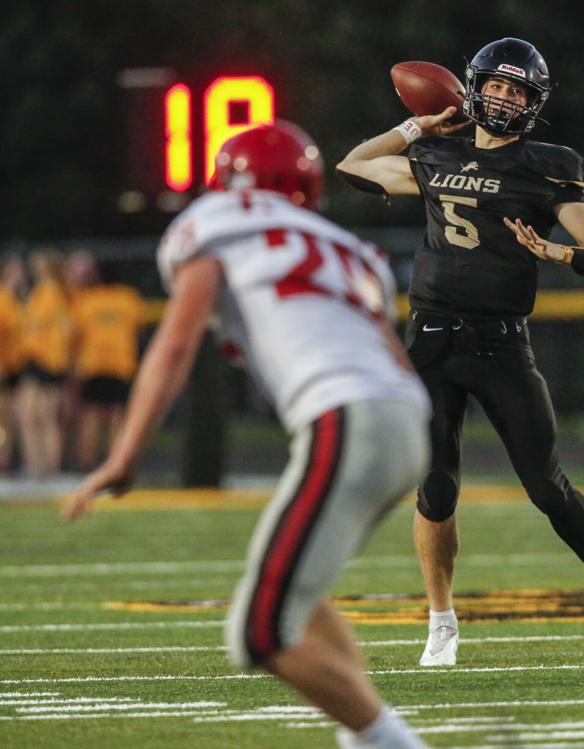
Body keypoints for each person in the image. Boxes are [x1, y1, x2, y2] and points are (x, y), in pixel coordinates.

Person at [62, 121, 434, 749]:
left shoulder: (217, 220)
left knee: (260, 632)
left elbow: (176, 342)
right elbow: (391, 355)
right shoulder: (347, 245)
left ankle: (393, 743)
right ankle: (364, 737)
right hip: (404, 423)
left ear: (230, 182)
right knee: (299, 588)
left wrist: (123, 457)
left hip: (345, 419)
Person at [338, 37, 584, 665]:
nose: (505, 98)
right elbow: (353, 166)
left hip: (501, 343)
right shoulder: (434, 152)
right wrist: (416, 124)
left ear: (532, 102)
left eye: (518, 90)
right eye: (497, 86)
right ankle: (441, 623)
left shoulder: (548, 164)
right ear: (475, 88)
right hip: (431, 340)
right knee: (436, 489)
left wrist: (556, 252)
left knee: (546, 484)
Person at [68, 257, 146, 470]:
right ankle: (116, 462)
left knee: (91, 417)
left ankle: (86, 465)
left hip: (94, 364)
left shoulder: (87, 300)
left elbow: (76, 336)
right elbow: (138, 331)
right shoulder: (129, 298)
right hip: (121, 364)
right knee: (116, 417)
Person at [18, 249, 73, 476]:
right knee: (34, 415)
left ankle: (44, 468)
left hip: (46, 360)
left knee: (41, 416)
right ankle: (39, 466)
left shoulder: (51, 292)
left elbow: (64, 327)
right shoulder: (43, 291)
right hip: (37, 359)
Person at [0, 256, 28, 472]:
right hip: (5, 367)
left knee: (11, 417)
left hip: (17, 367)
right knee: (4, 415)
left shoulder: (17, 301)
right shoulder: (3, 300)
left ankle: (6, 458)